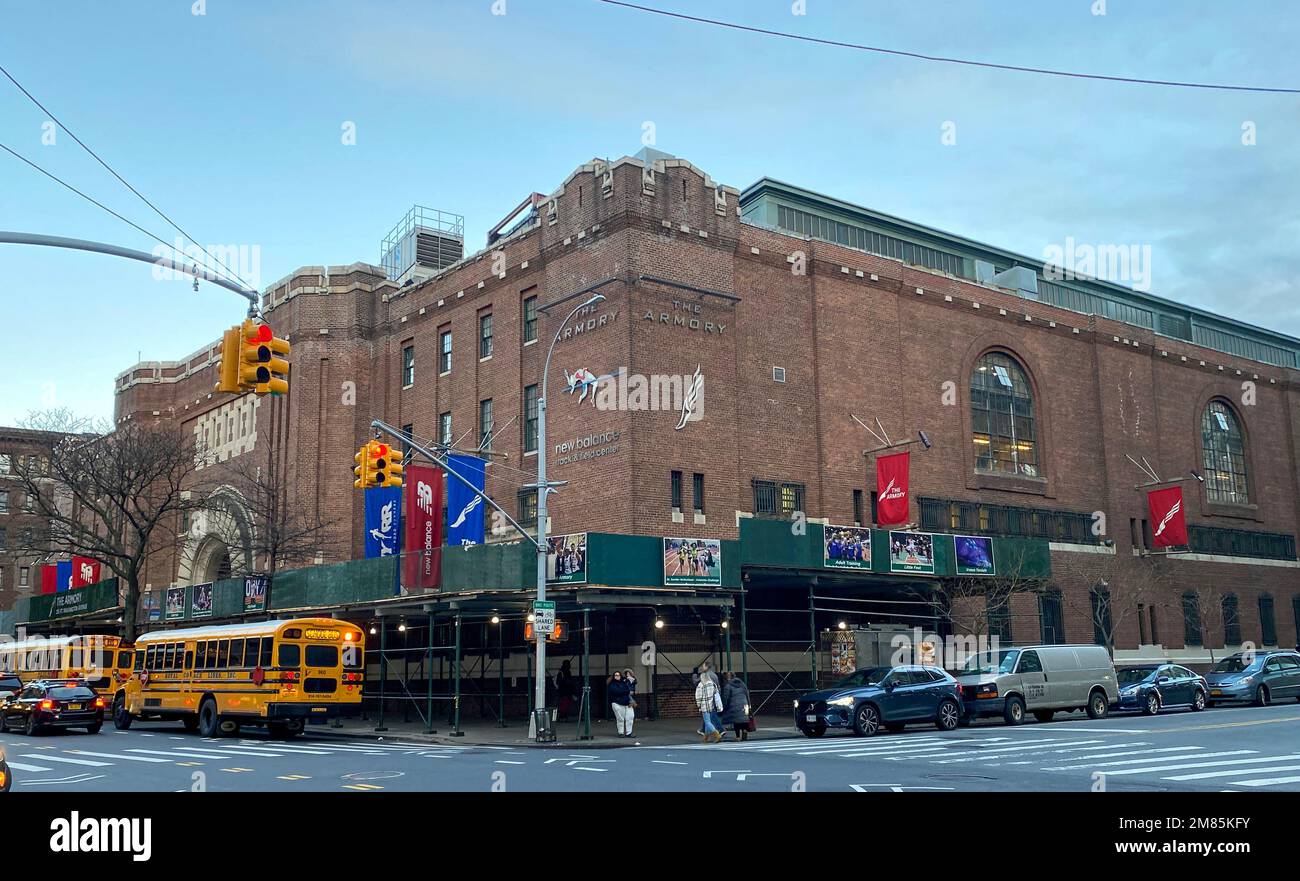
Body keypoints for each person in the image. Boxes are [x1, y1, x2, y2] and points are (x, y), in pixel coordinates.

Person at [721, 672, 751, 741]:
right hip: (745, 705)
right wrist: (749, 705)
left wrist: (723, 706)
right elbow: (747, 694)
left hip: (734, 705)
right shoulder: (742, 684)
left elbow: (726, 698)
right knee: (744, 719)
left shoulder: (728, 686)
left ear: (728, 678)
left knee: (736, 721)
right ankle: (744, 730)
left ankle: (738, 736)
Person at [695, 670, 722, 743]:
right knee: (708, 721)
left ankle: (717, 734)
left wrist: (699, 705)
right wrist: (719, 706)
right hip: (711, 705)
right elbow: (717, 695)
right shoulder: (713, 684)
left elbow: (698, 696)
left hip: (704, 706)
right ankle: (705, 737)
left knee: (707, 722)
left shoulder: (700, 685)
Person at [608, 670, 634, 737]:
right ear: (614, 676)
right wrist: (627, 691)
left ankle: (629, 733)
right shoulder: (612, 684)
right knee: (620, 719)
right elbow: (617, 692)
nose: (617, 676)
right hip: (617, 703)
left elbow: (631, 687)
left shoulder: (624, 682)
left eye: (618, 675)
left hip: (627, 703)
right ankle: (621, 733)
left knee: (630, 717)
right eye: (616, 675)